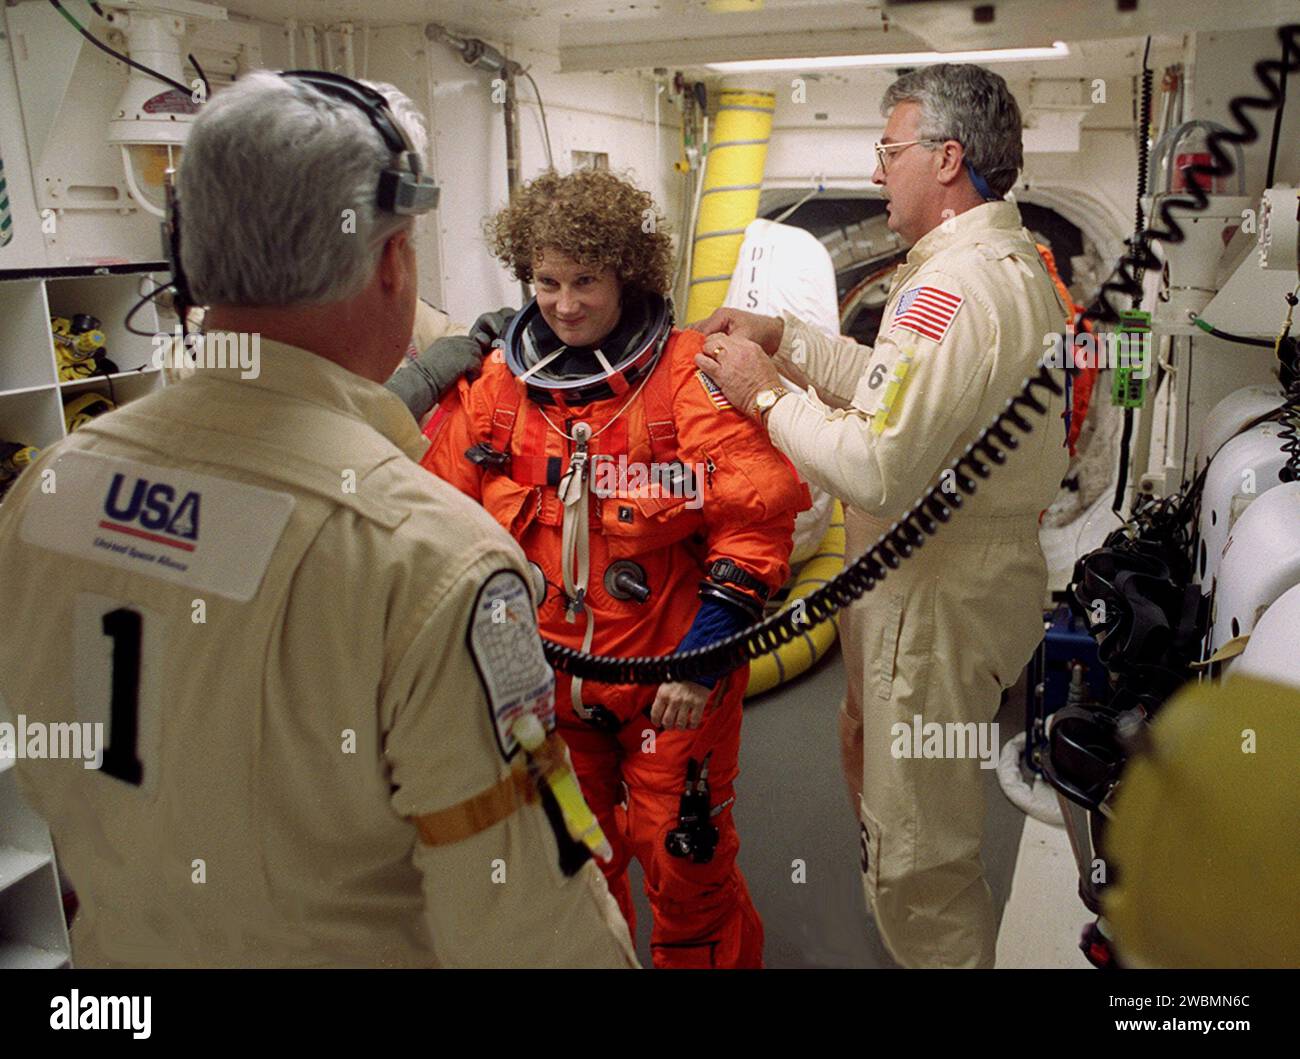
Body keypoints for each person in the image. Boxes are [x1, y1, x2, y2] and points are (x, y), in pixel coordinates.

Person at [0, 70, 635, 969]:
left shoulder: (50, 491)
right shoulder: (429, 565)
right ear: (390, 263)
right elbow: (529, 927)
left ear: (189, 254)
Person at [693, 63, 1070, 968]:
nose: (875, 171)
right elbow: (896, 393)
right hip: (959, 579)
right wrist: (790, 343)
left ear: (946, 159)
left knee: (917, 858)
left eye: (887, 150)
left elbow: (872, 463)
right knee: (911, 816)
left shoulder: (953, 294)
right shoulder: (990, 269)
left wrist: (763, 398)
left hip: (935, 592)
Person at [424, 168, 807, 968]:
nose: (563, 304)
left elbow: (757, 516)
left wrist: (703, 657)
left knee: (684, 864)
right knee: (571, 864)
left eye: (585, 282)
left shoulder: (685, 380)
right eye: (546, 281)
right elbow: (430, 514)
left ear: (626, 275)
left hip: (672, 687)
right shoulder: (499, 387)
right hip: (550, 695)